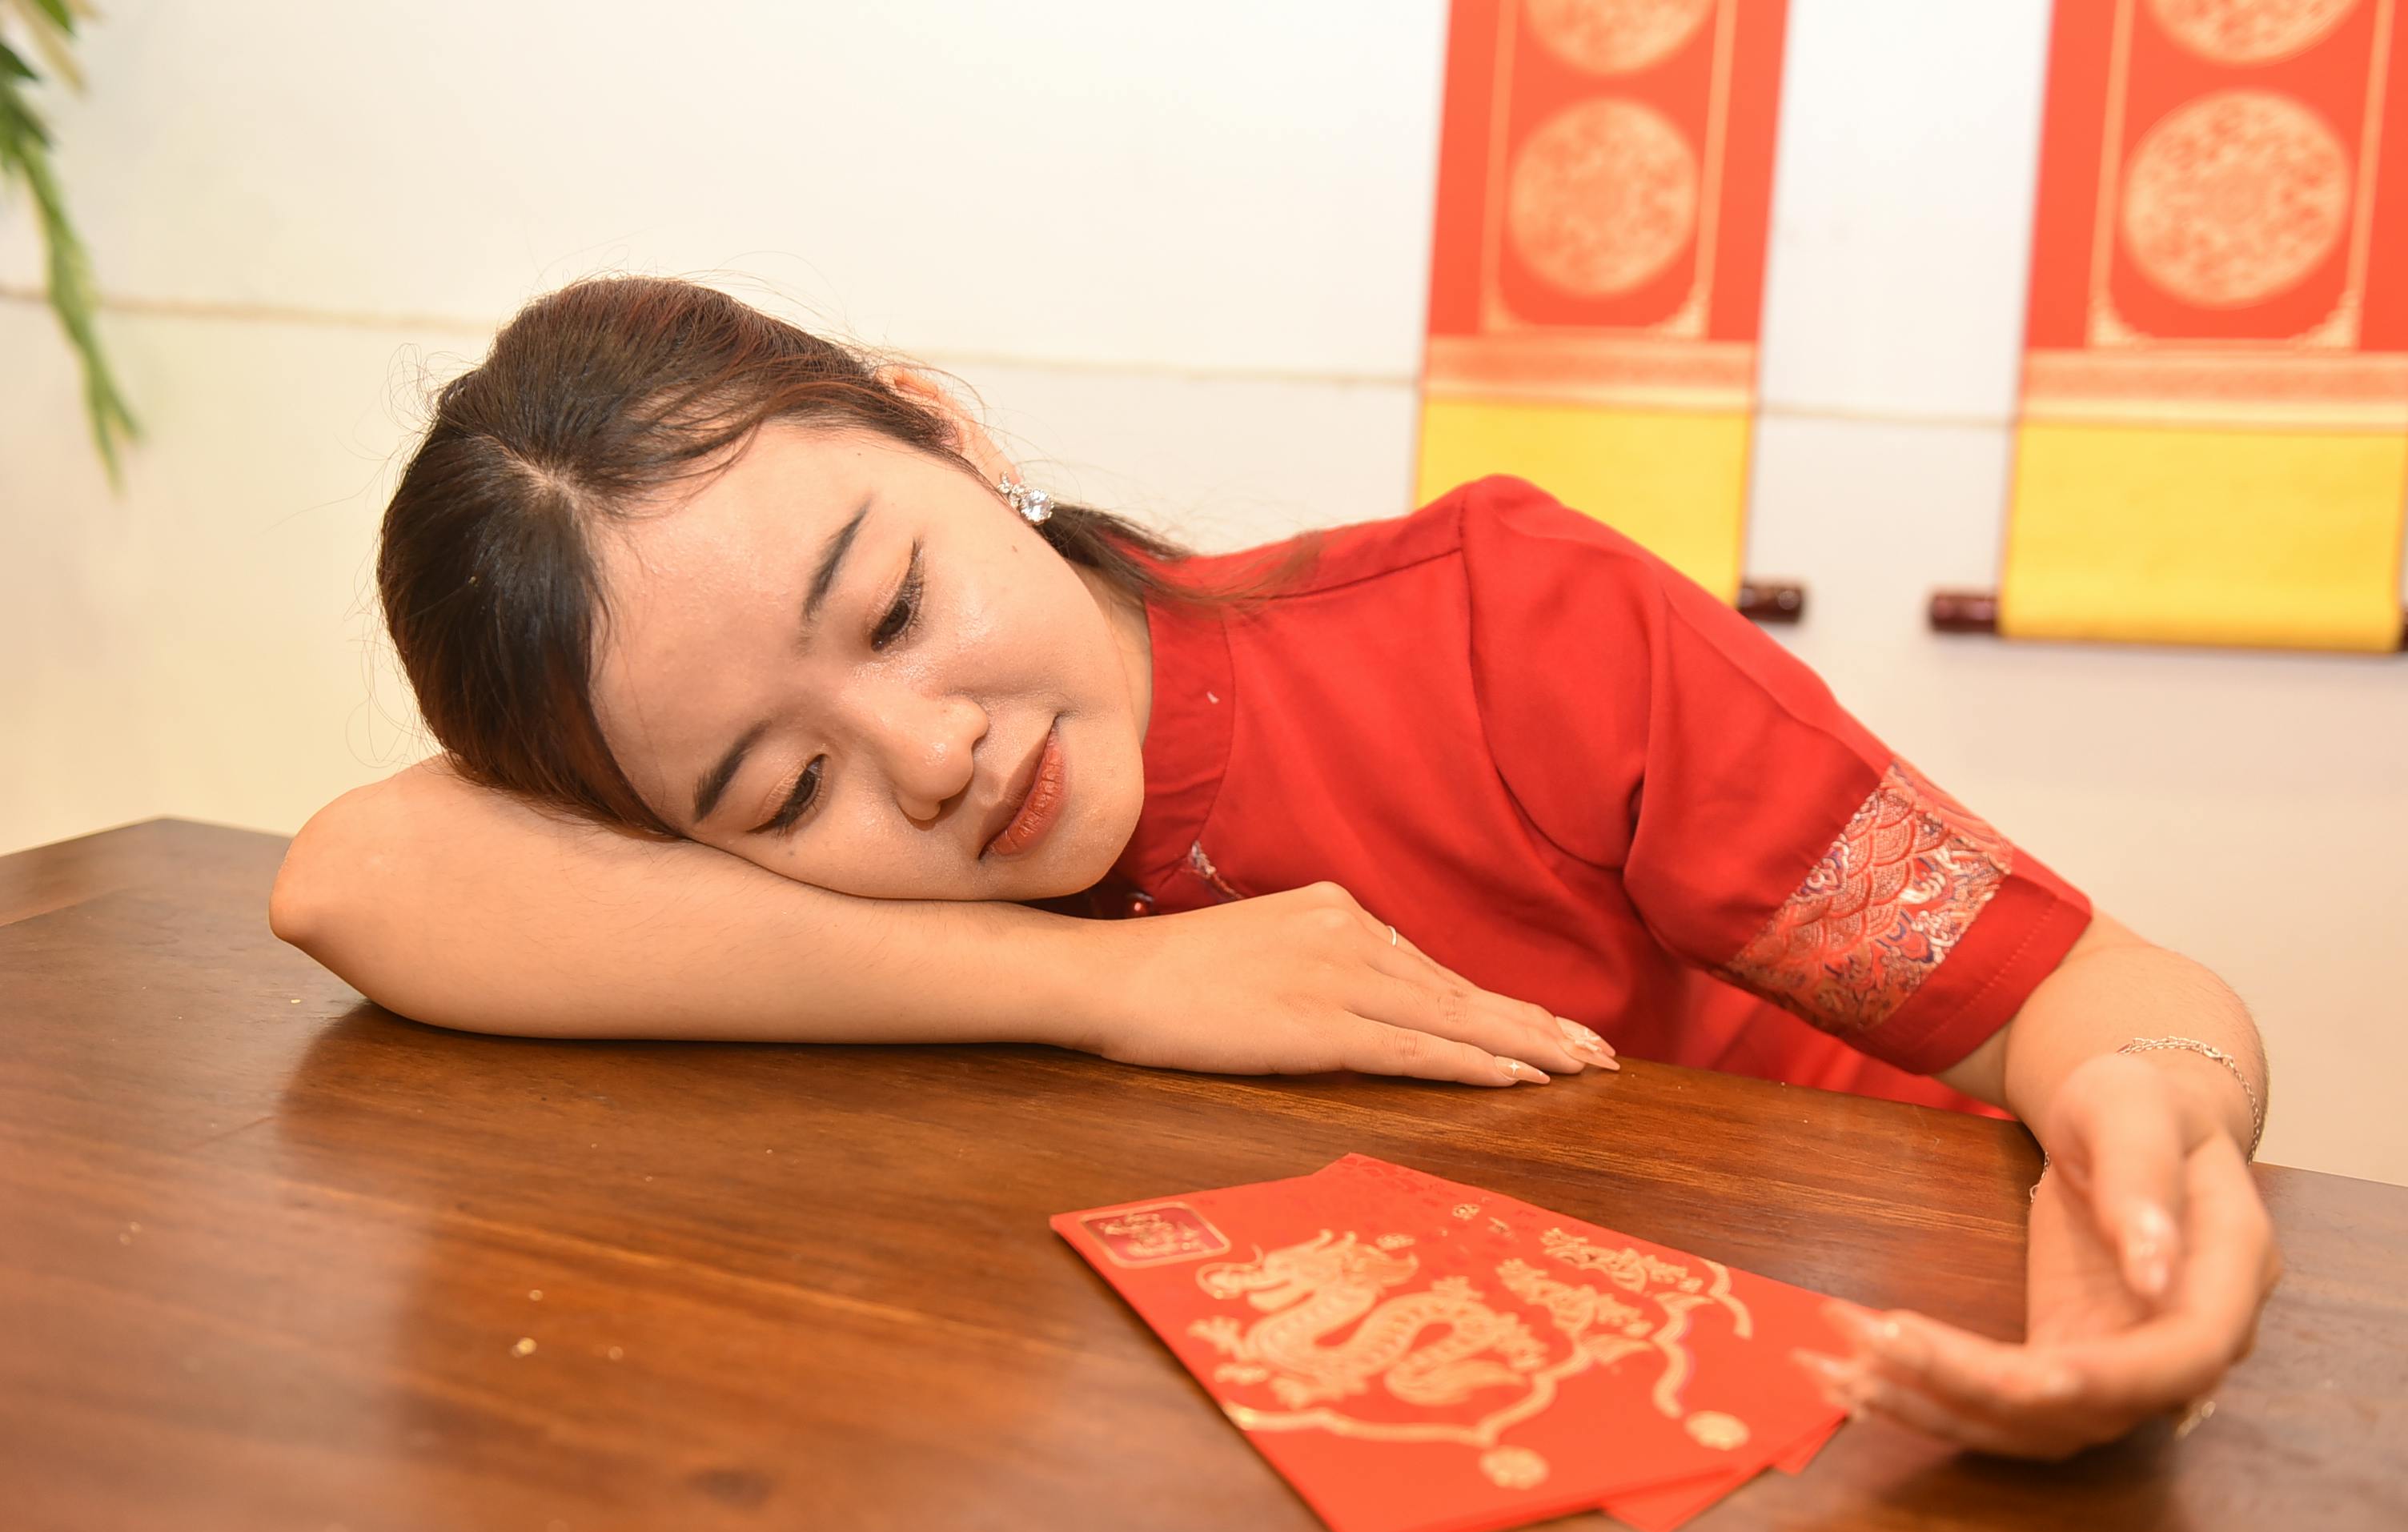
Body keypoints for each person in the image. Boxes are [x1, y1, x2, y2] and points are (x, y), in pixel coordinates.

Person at [272, 276, 2279, 1462]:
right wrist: (1108, 983)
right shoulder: (867, 899)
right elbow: (356, 877)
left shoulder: (1505, 631)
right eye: (781, 793)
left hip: (1865, 1386)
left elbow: (2109, 998)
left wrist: (2153, 1146)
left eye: (891, 607)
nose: (930, 754)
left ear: (952, 437)